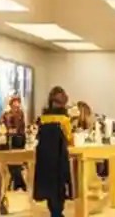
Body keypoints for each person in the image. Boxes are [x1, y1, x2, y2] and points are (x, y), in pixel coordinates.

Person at [33, 86, 74, 217]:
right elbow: (69, 137)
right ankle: (58, 212)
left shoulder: (43, 118)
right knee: (59, 184)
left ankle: (53, 211)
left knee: (48, 183)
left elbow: (37, 136)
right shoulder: (64, 119)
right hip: (59, 158)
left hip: (44, 157)